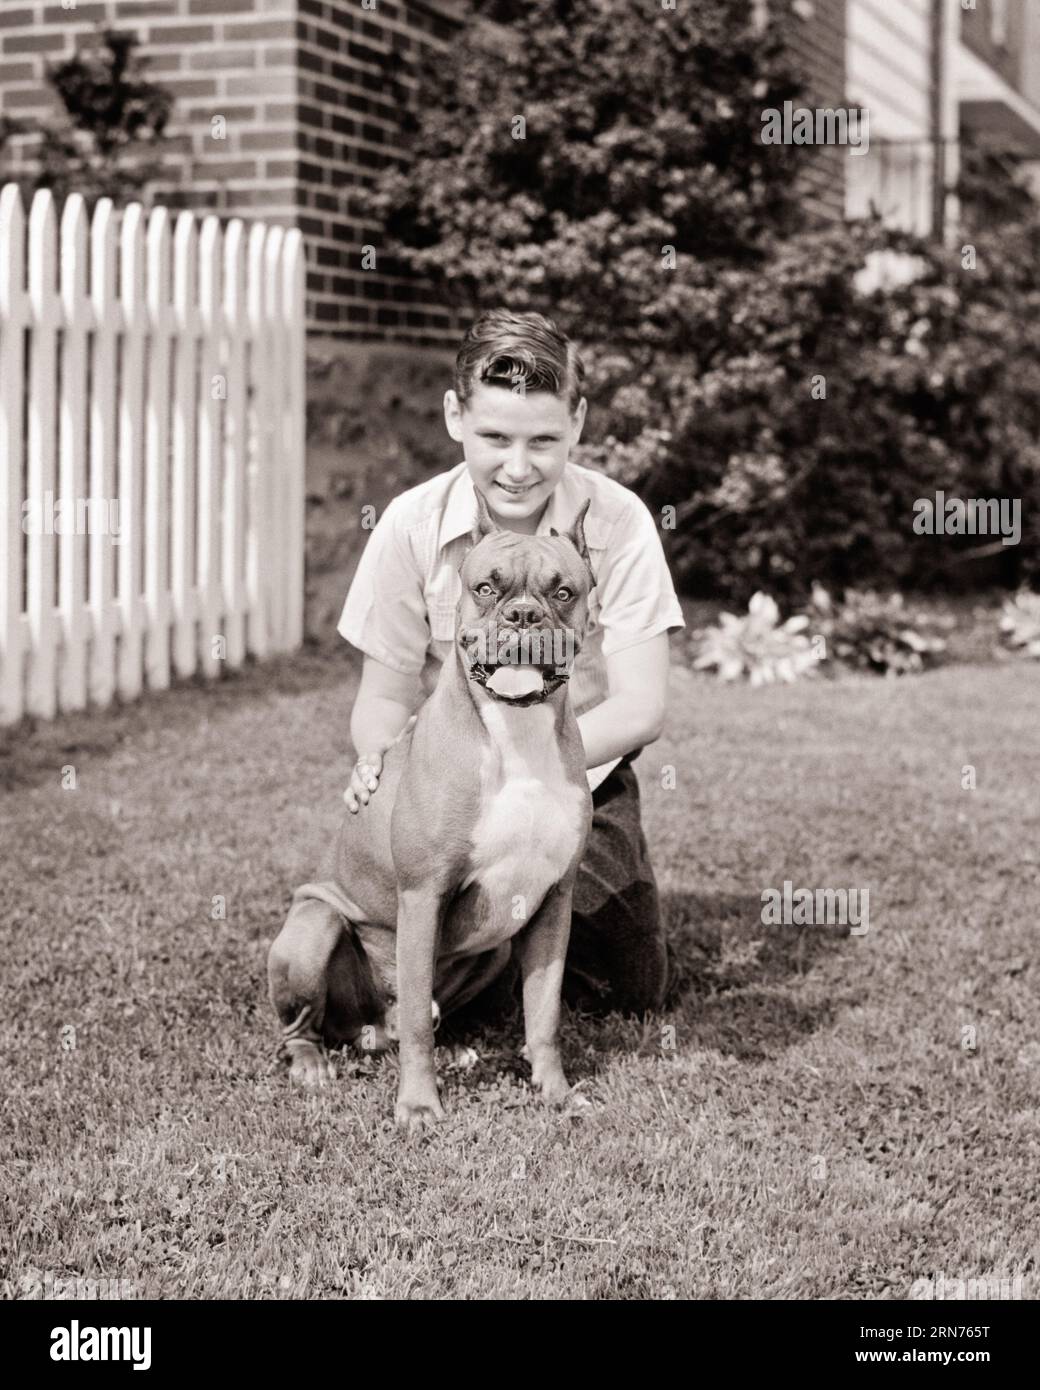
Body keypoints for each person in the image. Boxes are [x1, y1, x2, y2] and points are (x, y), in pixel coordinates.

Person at [337, 308, 684, 1014]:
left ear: (579, 422)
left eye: (544, 441)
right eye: (495, 437)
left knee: (630, 986)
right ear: (454, 416)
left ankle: (476, 969)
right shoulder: (409, 524)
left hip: (579, 769)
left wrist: (540, 762)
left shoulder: (618, 523)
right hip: (455, 768)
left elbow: (642, 707)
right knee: (427, 892)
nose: (518, 468)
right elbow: (383, 696)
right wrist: (380, 761)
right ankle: (441, 960)